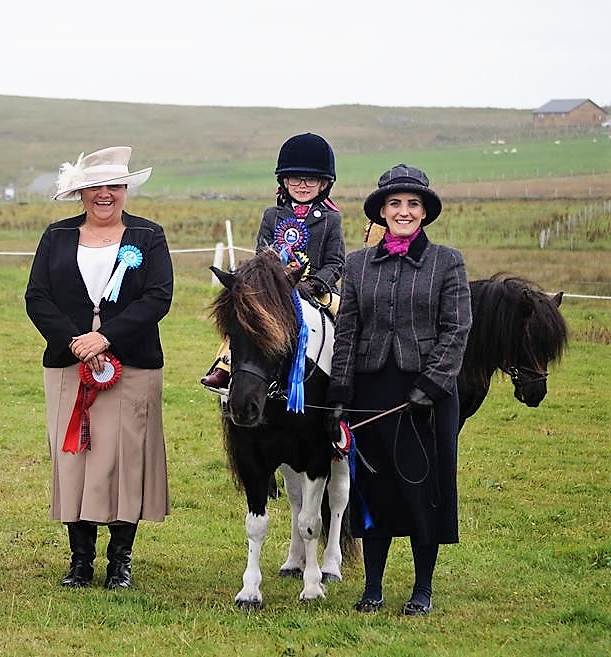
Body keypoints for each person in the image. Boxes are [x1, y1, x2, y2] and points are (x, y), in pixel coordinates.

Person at [325, 164, 472, 616]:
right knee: (374, 491)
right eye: (395, 204)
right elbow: (347, 332)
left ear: (425, 212)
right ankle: (372, 588)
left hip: (427, 399)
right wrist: (339, 396)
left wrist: (429, 386)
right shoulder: (357, 264)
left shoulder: (448, 262)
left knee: (424, 492)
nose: (403, 211)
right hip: (371, 392)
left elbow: (457, 328)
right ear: (382, 212)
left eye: (412, 204)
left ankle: (422, 589)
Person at [25, 146, 172, 589]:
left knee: (126, 459)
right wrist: (77, 342)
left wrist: (106, 337)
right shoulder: (56, 236)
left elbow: (157, 296)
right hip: (69, 364)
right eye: (95, 187)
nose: (104, 195)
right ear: (80, 192)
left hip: (132, 364)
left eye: (113, 186)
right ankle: (80, 560)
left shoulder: (148, 237)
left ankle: (120, 561)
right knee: (76, 458)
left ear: (125, 190)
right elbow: (37, 297)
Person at [200, 132, 345, 391]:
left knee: (344, 316)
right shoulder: (272, 215)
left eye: (310, 179)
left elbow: (336, 261)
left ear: (324, 183)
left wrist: (317, 283)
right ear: (284, 181)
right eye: (296, 179)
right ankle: (223, 366)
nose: (302, 185)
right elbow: (260, 257)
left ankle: (344, 375)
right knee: (243, 314)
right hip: (274, 291)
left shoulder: (331, 220)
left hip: (318, 291)